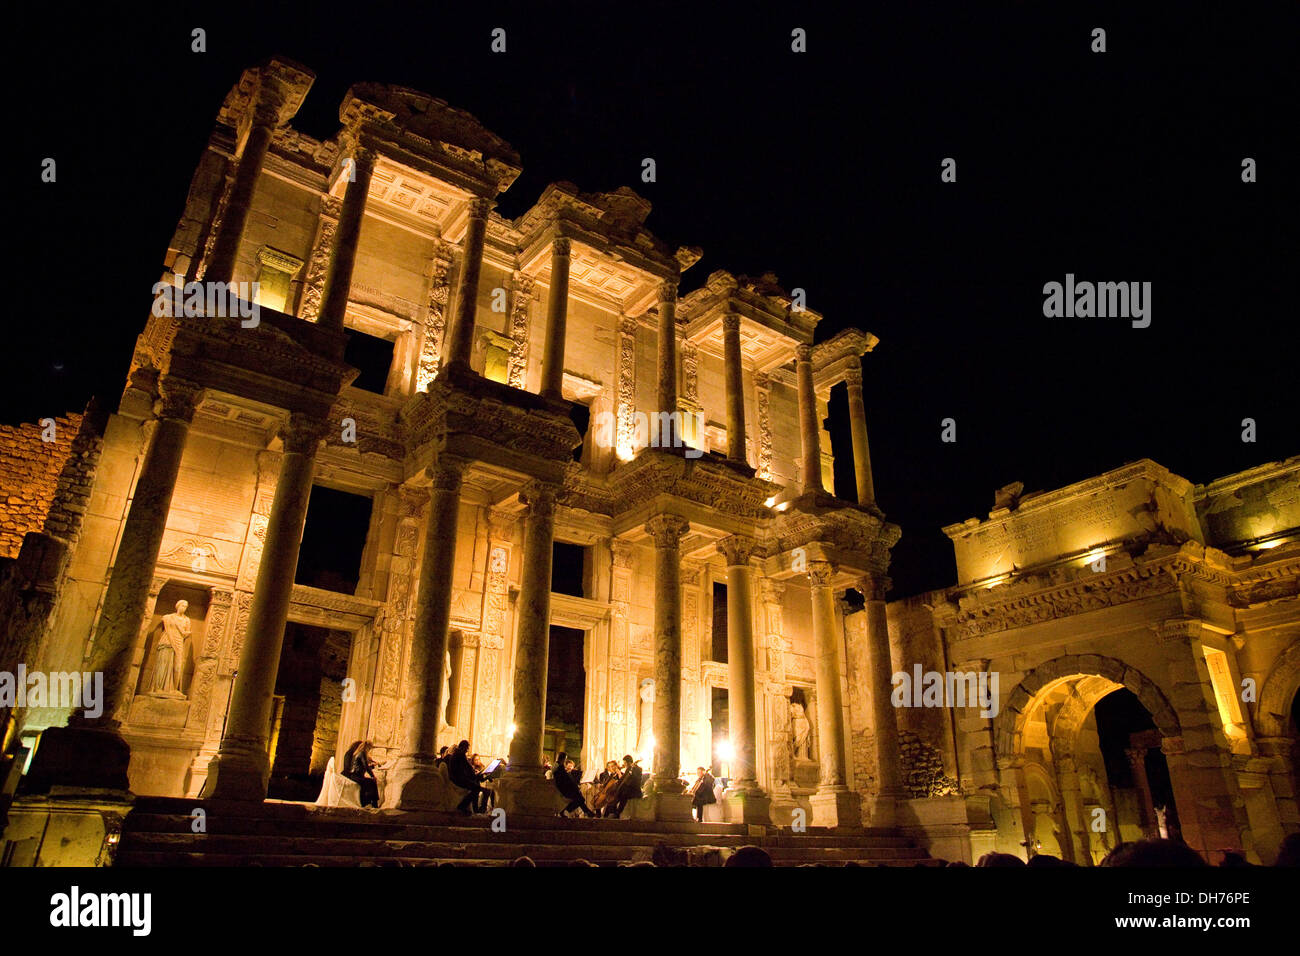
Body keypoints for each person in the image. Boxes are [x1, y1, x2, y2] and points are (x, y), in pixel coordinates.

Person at [446, 739, 487, 814]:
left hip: (458, 778)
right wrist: (475, 774)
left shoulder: (457, 754)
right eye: (467, 748)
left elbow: (467, 769)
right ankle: (462, 807)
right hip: (458, 779)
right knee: (476, 788)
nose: (467, 750)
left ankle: (474, 809)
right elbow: (468, 769)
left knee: (476, 784)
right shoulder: (460, 755)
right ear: (463, 747)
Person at [552, 751, 596, 817]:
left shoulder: (557, 765)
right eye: (565, 759)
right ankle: (565, 810)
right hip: (563, 789)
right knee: (580, 799)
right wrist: (575, 786)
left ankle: (587, 811)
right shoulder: (559, 767)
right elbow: (565, 780)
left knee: (579, 797)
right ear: (564, 758)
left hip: (564, 788)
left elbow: (565, 780)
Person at [342, 740, 380, 808]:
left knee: (369, 784)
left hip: (355, 776)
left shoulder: (357, 753)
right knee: (372, 782)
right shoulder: (362, 753)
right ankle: (373, 803)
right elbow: (365, 766)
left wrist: (372, 766)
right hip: (356, 776)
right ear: (367, 747)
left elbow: (362, 766)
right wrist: (373, 776)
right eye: (370, 748)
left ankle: (369, 803)